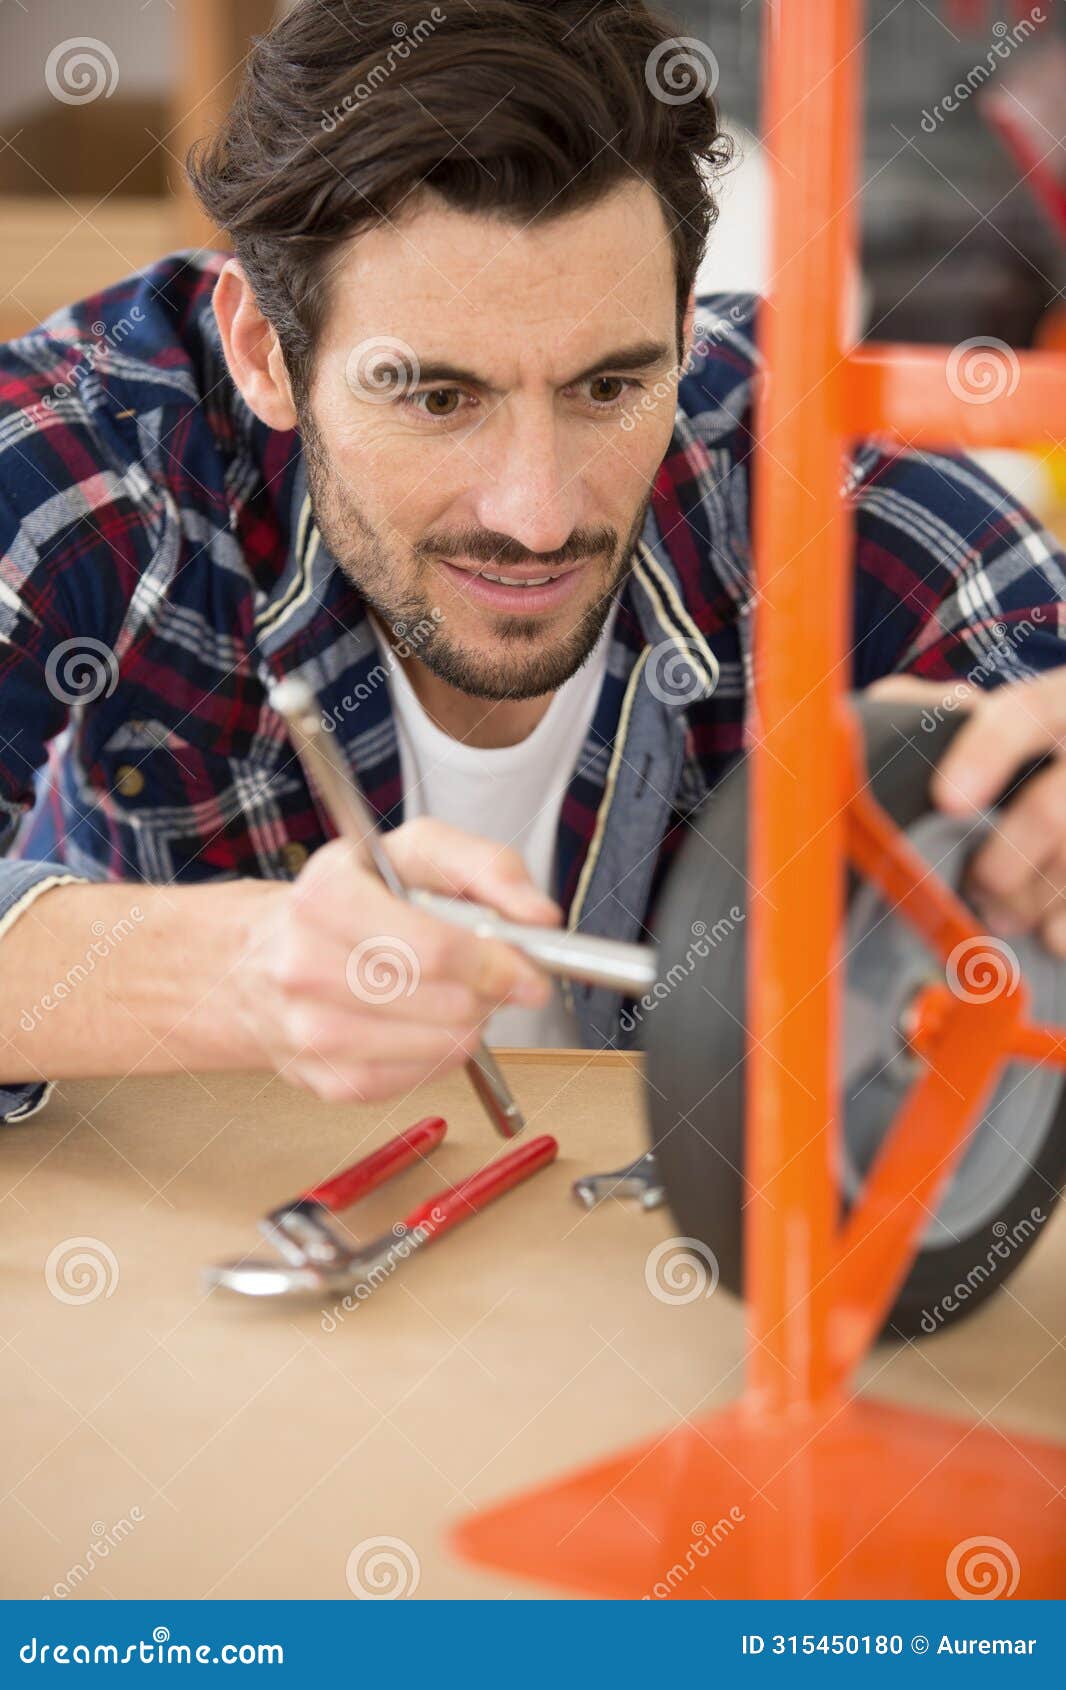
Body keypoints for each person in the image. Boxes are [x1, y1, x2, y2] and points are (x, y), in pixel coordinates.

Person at [1, 0, 1064, 1124]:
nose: (540, 515)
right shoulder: (95, 429)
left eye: (608, 387)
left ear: (683, 324)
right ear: (264, 349)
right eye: (438, 396)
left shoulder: (806, 460)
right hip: (189, 1256)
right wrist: (234, 969)